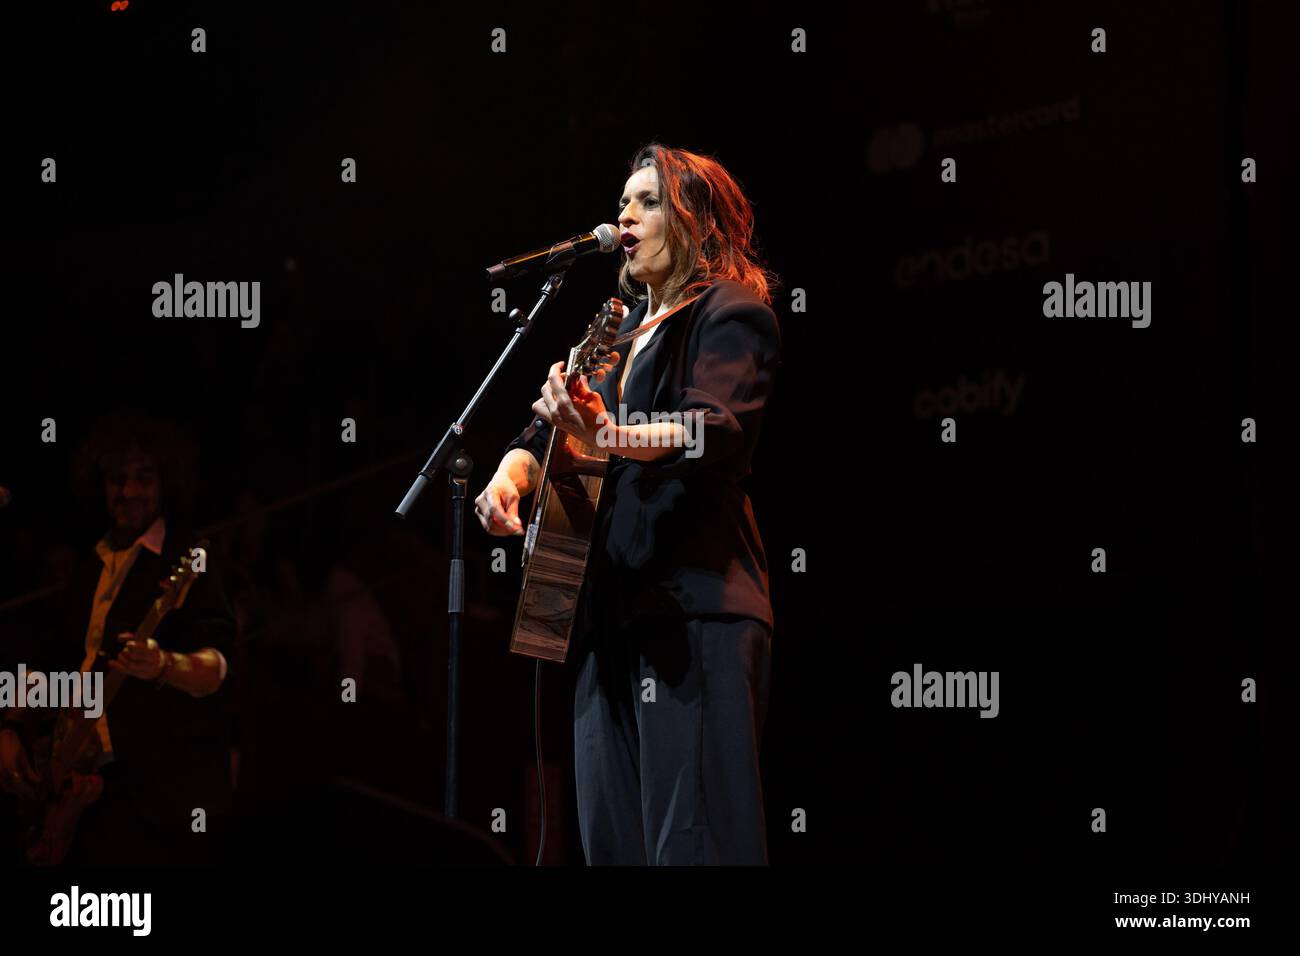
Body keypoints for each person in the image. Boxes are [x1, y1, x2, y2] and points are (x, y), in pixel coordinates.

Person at [474, 143, 782, 864]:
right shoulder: (612, 335)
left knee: (693, 843)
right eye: (623, 201)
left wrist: (609, 433)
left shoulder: (729, 312)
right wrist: (507, 478)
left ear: (699, 225)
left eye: (648, 201)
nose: (626, 214)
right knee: (612, 846)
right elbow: (540, 435)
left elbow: (714, 430)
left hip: (688, 612)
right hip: (598, 618)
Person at [0, 410, 236, 864]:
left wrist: (166, 665)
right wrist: (12, 723)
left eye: (143, 477)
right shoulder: (91, 562)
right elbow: (51, 657)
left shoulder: (190, 557)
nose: (128, 491)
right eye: (116, 479)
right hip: (83, 790)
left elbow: (220, 666)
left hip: (154, 796)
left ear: (165, 480)